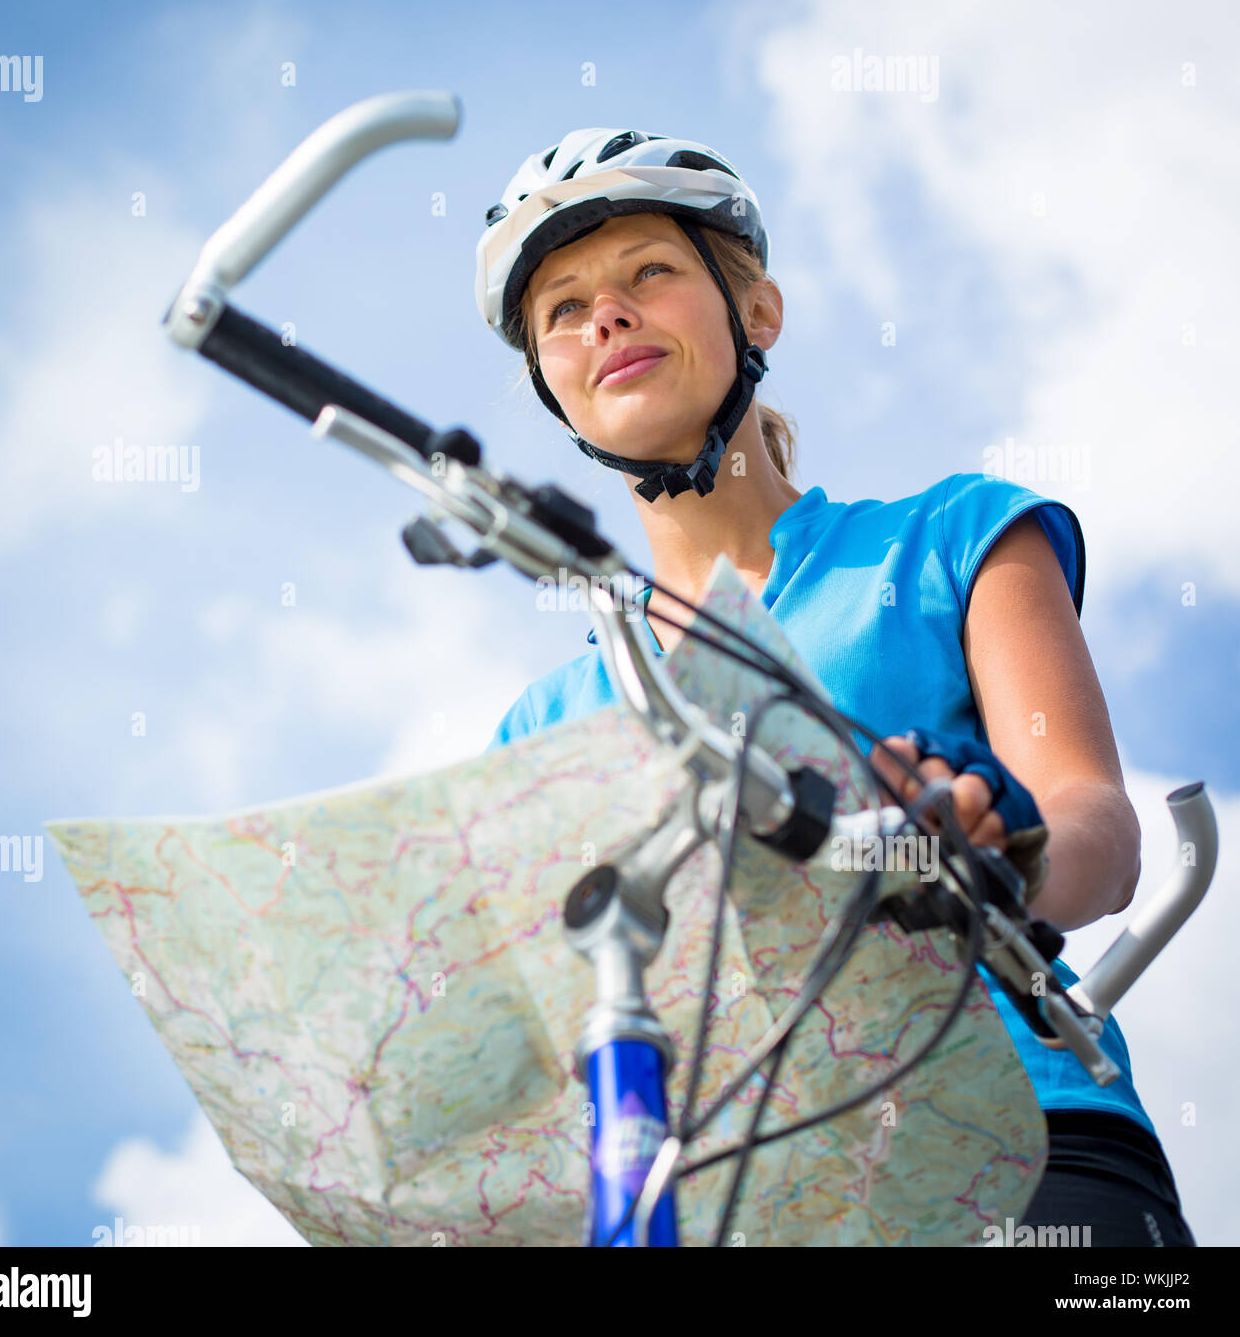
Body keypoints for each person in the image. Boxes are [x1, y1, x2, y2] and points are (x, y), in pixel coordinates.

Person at [475, 127, 1196, 1247]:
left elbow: (1091, 827)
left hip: (1020, 1143)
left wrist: (1002, 858)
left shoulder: (950, 539)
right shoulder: (543, 723)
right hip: (734, 1205)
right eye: (561, 309)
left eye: (649, 272)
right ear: (550, 385)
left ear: (756, 314)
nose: (603, 315)